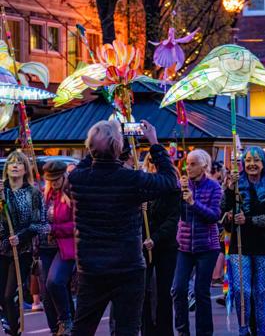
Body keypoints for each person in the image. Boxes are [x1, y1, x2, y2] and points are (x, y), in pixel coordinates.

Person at [68, 120, 179, 335]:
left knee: (83, 327)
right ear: (119, 148)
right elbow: (169, 180)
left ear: (90, 148)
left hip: (91, 267)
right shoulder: (130, 179)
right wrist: (154, 143)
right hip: (127, 266)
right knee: (127, 328)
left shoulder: (77, 179)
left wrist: (102, 143)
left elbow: (87, 159)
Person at [221, 147, 265, 336]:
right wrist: (229, 190)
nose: (251, 164)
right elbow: (223, 210)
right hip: (240, 246)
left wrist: (247, 220)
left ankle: (262, 332)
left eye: (256, 160)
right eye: (248, 160)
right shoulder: (235, 184)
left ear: (263, 164)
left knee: (262, 293)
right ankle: (244, 331)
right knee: (242, 291)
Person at [172, 149, 221, 336]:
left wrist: (193, 203)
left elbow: (214, 216)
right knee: (178, 289)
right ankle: (182, 331)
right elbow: (177, 213)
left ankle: (204, 332)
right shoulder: (182, 185)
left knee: (201, 292)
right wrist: (179, 194)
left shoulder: (214, 187)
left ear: (204, 166)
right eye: (187, 164)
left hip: (207, 246)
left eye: (193, 164)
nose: (188, 167)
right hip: (184, 245)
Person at [1, 150, 46, 336]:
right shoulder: (2, 192)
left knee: (10, 294)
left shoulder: (33, 193)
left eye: (19, 163)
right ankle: (10, 322)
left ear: (25, 168)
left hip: (22, 251)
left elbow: (39, 224)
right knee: (2, 296)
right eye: (11, 162)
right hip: (2, 249)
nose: (15, 165)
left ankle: (14, 331)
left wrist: (21, 236)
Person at [141, 154, 181, 336]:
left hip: (165, 245)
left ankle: (165, 331)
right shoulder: (143, 187)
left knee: (164, 293)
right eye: (150, 162)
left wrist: (155, 238)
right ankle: (147, 330)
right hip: (144, 245)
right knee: (144, 291)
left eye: (155, 162)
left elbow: (173, 219)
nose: (153, 166)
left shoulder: (172, 188)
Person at [38, 161, 75, 336]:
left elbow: (77, 224)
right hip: (45, 247)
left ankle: (66, 321)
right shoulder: (44, 195)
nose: (54, 183)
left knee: (55, 281)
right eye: (50, 179)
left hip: (65, 247)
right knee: (46, 296)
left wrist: (54, 229)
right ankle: (56, 331)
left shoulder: (72, 193)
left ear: (63, 176)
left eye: (56, 179)